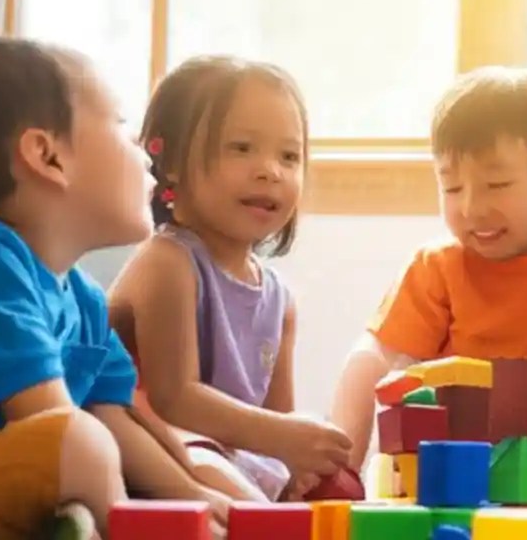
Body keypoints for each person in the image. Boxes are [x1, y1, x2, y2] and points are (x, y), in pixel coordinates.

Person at [0, 38, 231, 540]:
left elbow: (116, 419)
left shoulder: (83, 298)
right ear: (47, 156)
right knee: (81, 444)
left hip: (4, 488)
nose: (145, 157)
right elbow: (55, 427)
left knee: (189, 463)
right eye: (122, 128)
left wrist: (200, 496)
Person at [331, 67, 527, 504]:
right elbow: (374, 363)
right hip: (442, 502)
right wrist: (342, 473)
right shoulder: (436, 268)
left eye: (496, 185)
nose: (472, 208)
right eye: (452, 186)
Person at [108, 57, 351, 503]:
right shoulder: (168, 262)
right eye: (241, 147)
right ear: (174, 160)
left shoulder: (279, 298)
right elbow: (172, 397)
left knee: (339, 493)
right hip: (155, 442)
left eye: (289, 156)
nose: (269, 170)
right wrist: (281, 438)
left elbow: (277, 418)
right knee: (234, 492)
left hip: (234, 454)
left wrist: (299, 462)